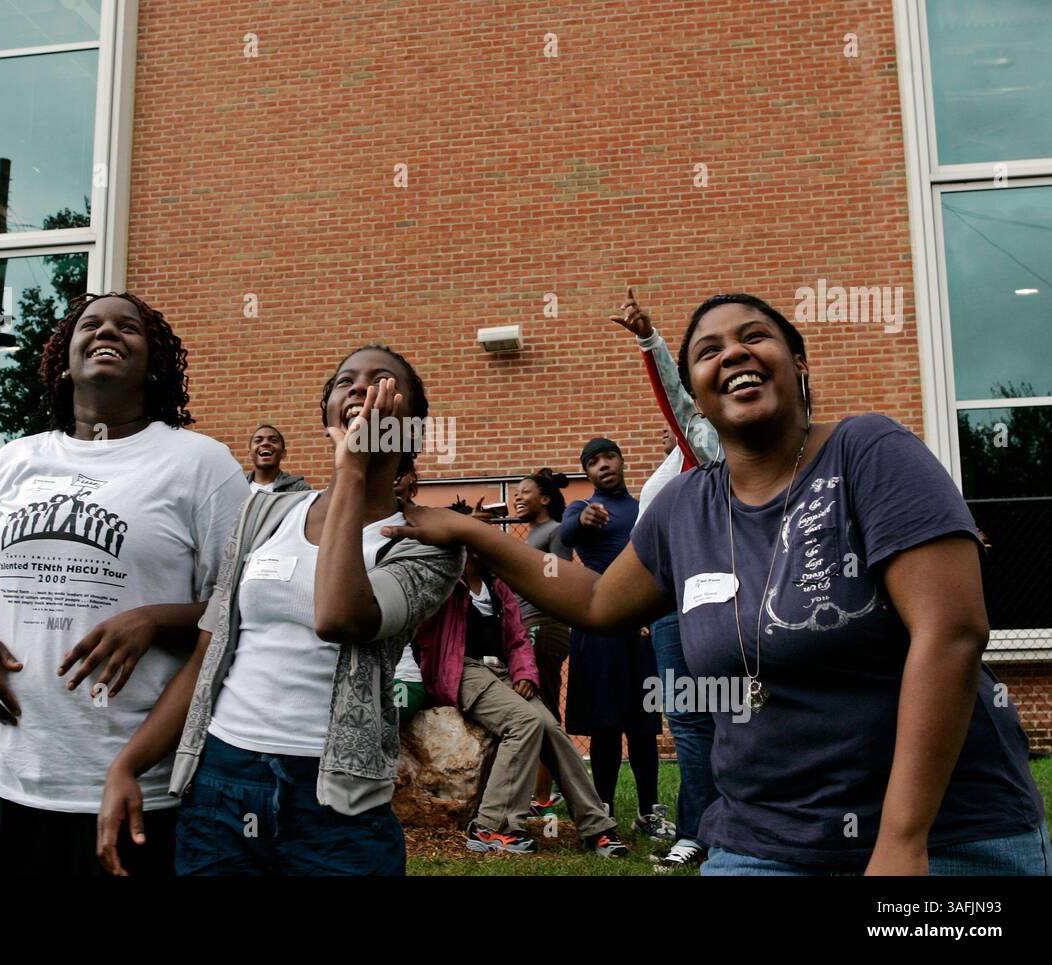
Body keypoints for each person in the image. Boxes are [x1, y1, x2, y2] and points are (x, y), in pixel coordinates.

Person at [385, 292, 1050, 876]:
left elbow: (952, 631)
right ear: (695, 394)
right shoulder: (684, 507)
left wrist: (904, 842)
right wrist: (473, 533)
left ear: (800, 363)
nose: (734, 352)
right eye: (709, 350)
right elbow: (592, 598)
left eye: (755, 336)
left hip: (947, 835)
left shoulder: (869, 452)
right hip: (763, 843)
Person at [96, 345, 463, 876]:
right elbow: (210, 652)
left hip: (336, 804)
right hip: (222, 781)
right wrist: (127, 766)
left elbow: (342, 618)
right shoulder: (264, 513)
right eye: (345, 382)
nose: (359, 389)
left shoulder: (427, 541)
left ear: (412, 429)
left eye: (381, 382)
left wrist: (354, 471)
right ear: (326, 414)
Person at [0, 292, 249, 876]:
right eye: (91, 324)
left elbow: (241, 612)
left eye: (128, 327)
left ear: (154, 361)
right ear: (64, 356)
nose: (108, 331)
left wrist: (154, 619)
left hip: (129, 785)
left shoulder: (199, 464)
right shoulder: (12, 463)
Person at [413, 514, 628, 859]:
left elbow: (517, 639)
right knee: (524, 723)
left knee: (550, 729)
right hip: (461, 670)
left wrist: (526, 673)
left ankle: (596, 827)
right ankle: (491, 827)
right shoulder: (443, 584)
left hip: (503, 672)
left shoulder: (499, 586)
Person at [613, 285, 722, 870]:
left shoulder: (712, 446)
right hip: (667, 608)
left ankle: (704, 832)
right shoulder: (678, 459)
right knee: (692, 716)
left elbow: (677, 403)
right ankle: (706, 826)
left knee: (701, 716)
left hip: (706, 601)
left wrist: (650, 338)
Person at [559, 437, 675, 842]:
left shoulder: (643, 506)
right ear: (587, 472)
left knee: (643, 727)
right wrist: (583, 518)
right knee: (604, 727)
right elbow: (568, 533)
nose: (603, 465)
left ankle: (648, 812)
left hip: (641, 630)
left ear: (621, 461)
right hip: (600, 630)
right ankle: (603, 813)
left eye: (609, 456)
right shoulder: (582, 507)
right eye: (593, 462)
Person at [510, 468, 573, 815]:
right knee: (530, 708)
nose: (517, 497)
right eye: (515, 493)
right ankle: (538, 794)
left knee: (544, 707)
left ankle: (543, 798)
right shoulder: (532, 535)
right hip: (525, 627)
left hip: (544, 626)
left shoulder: (555, 531)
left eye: (525, 492)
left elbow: (559, 578)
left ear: (545, 499)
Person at [391, 467, 427, 726]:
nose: (393, 477)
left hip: (410, 654)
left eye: (400, 471)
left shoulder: (426, 523)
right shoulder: (351, 520)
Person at [246, 424, 311, 493]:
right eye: (258, 441)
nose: (265, 443)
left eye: (273, 440)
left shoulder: (299, 489)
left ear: (283, 453)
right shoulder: (237, 488)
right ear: (250, 454)